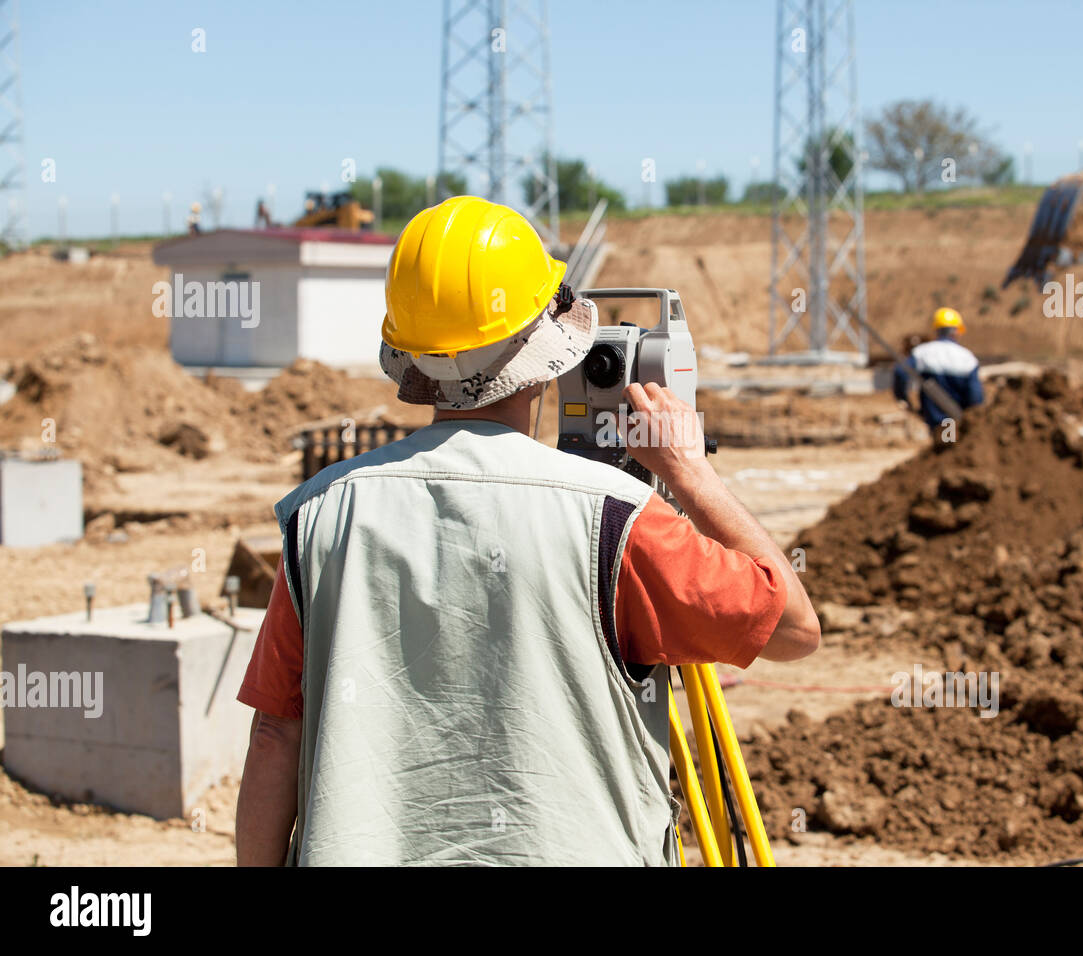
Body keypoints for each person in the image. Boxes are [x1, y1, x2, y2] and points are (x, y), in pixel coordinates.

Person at [234, 195, 820, 866]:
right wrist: (691, 474)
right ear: (547, 353)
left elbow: (275, 734)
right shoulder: (618, 520)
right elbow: (795, 630)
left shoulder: (321, 513)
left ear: (410, 356)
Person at [892, 307, 984, 444]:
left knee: (943, 449)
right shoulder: (967, 358)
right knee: (948, 449)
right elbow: (975, 396)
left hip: (936, 420)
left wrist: (904, 398)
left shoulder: (923, 353)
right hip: (956, 422)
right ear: (957, 332)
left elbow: (900, 372)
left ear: (936, 330)